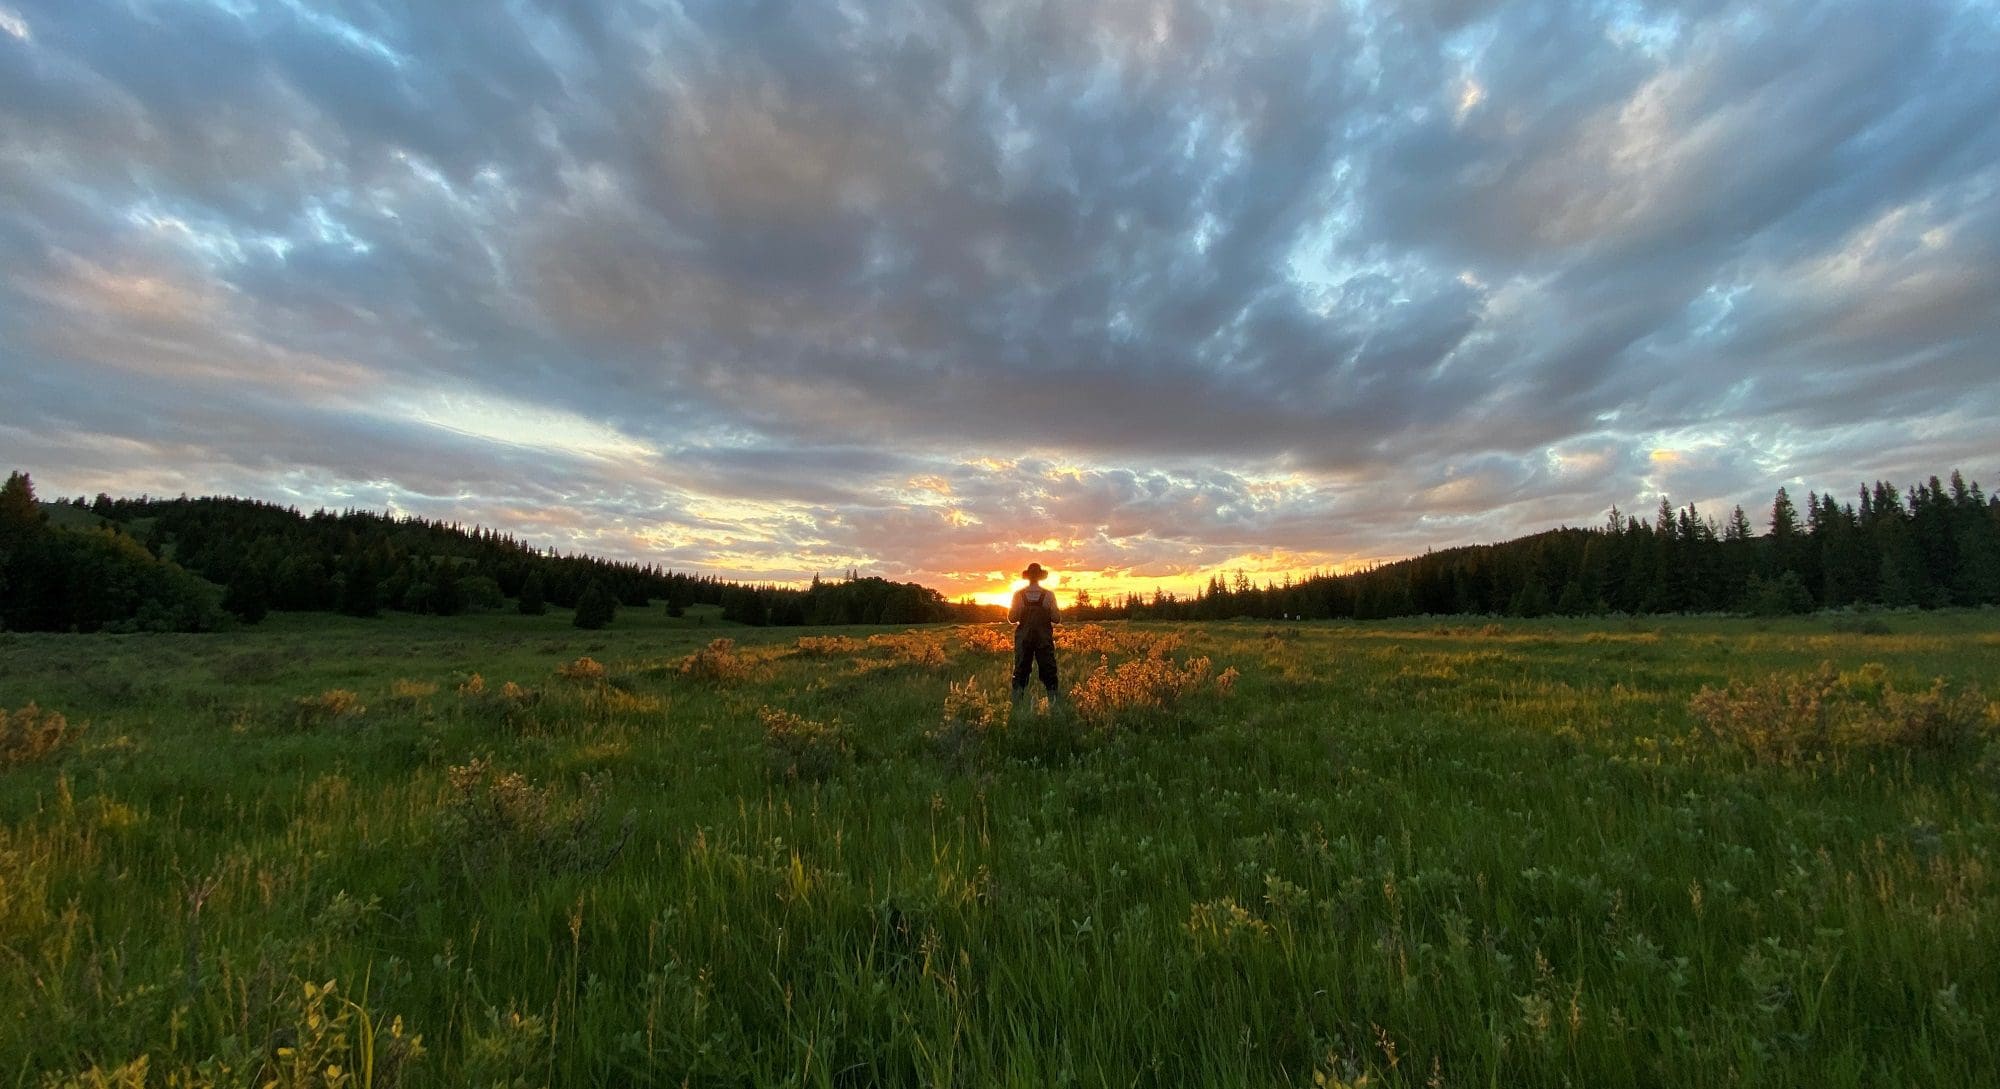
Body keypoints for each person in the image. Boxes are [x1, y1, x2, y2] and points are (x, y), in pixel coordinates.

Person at [1008, 563, 1060, 699]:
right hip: (1044, 639)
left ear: (1028, 577)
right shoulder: (1049, 595)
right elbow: (1056, 618)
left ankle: (1017, 702)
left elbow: (1012, 618)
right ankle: (1052, 700)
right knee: (1049, 669)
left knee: (1021, 670)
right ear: (1040, 577)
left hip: (1023, 639)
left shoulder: (1018, 595)